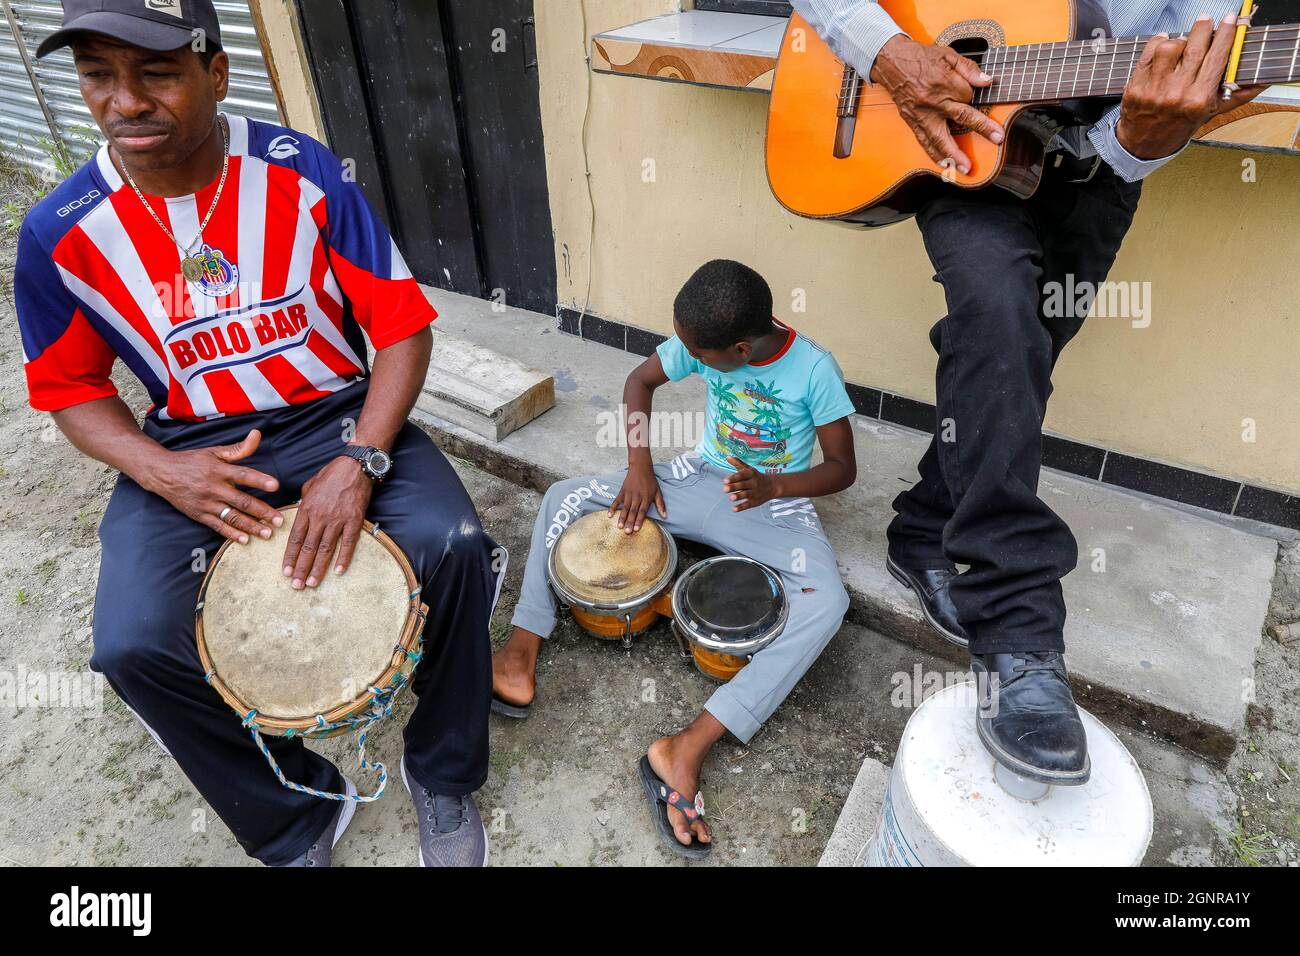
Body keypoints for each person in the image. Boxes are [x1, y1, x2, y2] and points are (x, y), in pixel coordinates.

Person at [16, 0, 501, 866]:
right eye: (97, 74)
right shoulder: (61, 230)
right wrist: (162, 471)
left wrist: (361, 458)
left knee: (457, 545)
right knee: (130, 643)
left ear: (217, 71)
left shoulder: (301, 171)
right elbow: (71, 390)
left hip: (332, 415)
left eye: (155, 72)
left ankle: (444, 770)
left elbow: (399, 329)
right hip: (191, 447)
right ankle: (295, 810)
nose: (123, 101)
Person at [789, 0, 1263, 783]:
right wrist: (886, 51)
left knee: (1015, 362)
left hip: (1104, 171)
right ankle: (1019, 632)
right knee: (1001, 323)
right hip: (960, 138)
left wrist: (1138, 141)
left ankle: (920, 531)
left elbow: (1188, 73)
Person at [492, 259, 857, 857]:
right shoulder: (705, 338)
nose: (686, 357)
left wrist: (775, 488)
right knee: (567, 494)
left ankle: (687, 746)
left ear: (740, 347)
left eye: (698, 354)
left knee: (828, 601)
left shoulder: (815, 370)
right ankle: (522, 646)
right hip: (697, 476)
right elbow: (640, 383)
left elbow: (843, 469)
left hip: (771, 503)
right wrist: (640, 467)